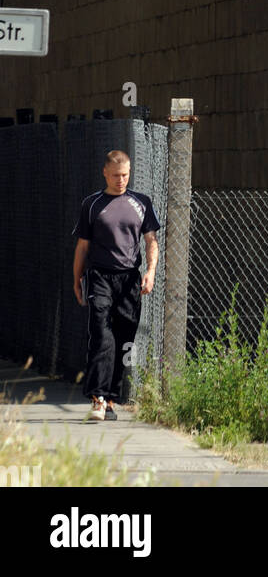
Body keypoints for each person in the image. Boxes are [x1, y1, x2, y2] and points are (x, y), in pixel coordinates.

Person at [71, 150, 160, 422]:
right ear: (105, 173)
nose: (121, 180)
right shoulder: (92, 204)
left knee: (124, 339)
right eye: (116, 175)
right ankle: (97, 398)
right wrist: (77, 279)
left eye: (125, 175)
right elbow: (82, 246)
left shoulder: (141, 202)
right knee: (101, 334)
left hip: (129, 278)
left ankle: (111, 398)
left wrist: (151, 272)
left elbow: (151, 241)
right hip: (99, 276)